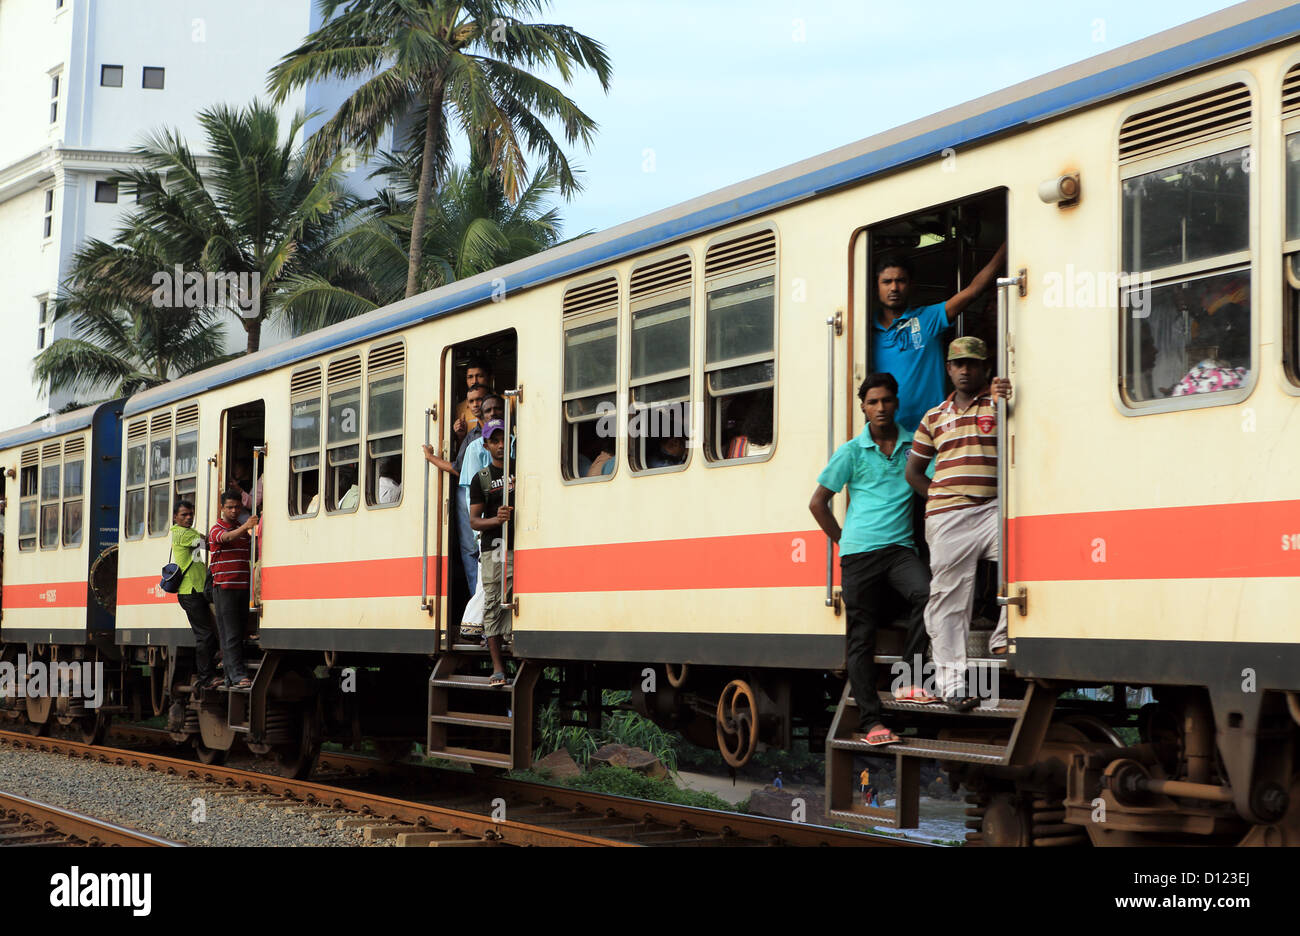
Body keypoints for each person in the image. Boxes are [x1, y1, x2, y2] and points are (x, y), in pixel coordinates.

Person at [810, 373, 935, 747]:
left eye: (887, 401)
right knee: (861, 636)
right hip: (859, 552)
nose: (881, 408)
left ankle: (911, 681)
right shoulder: (851, 451)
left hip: (900, 551)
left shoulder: (916, 445)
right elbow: (818, 502)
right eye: (873, 402)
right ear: (863, 408)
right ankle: (871, 723)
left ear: (897, 403)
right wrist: (843, 541)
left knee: (928, 595)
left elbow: (932, 486)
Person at [905, 337, 1013, 712]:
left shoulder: (999, 402)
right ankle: (952, 686)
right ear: (949, 369)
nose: (965, 370)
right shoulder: (933, 416)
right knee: (949, 600)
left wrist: (1006, 395)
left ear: (985, 368)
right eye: (958, 364)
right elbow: (913, 472)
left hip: (995, 509)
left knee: (1029, 558)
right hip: (948, 516)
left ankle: (1003, 637)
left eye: (973, 363)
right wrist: (940, 499)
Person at [872, 244, 1007, 431]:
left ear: (911, 285)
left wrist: (1010, 241)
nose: (894, 288)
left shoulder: (928, 318)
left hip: (934, 431)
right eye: (887, 282)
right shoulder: (865, 331)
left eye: (900, 281)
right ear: (876, 287)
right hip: (887, 434)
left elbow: (974, 290)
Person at [468, 419, 516, 687]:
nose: (500, 445)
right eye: (494, 441)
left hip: (519, 547)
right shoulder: (481, 478)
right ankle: (498, 668)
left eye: (503, 439)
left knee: (516, 599)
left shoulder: (519, 471)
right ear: (485, 445)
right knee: (493, 603)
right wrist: (496, 520)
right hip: (494, 550)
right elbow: (474, 521)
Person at [209, 489, 257, 689]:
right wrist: (246, 526)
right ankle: (237, 675)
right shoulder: (217, 529)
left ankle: (231, 676)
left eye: (237, 507)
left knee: (239, 632)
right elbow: (226, 538)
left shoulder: (241, 529)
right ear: (222, 508)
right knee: (230, 633)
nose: (234, 510)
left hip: (242, 587)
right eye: (229, 507)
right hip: (225, 587)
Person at [170, 501, 217, 693]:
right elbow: (210, 543)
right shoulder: (182, 533)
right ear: (175, 518)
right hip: (190, 592)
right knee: (204, 636)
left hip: (197, 591)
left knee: (210, 634)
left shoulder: (189, 533)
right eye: (183, 515)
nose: (188, 517)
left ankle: (211, 672)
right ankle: (206, 678)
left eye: (190, 514)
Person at [454, 361, 493, 445]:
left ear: (489, 378)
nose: (474, 381)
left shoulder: (506, 402)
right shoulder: (460, 408)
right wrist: (461, 436)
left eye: (479, 376)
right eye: (470, 377)